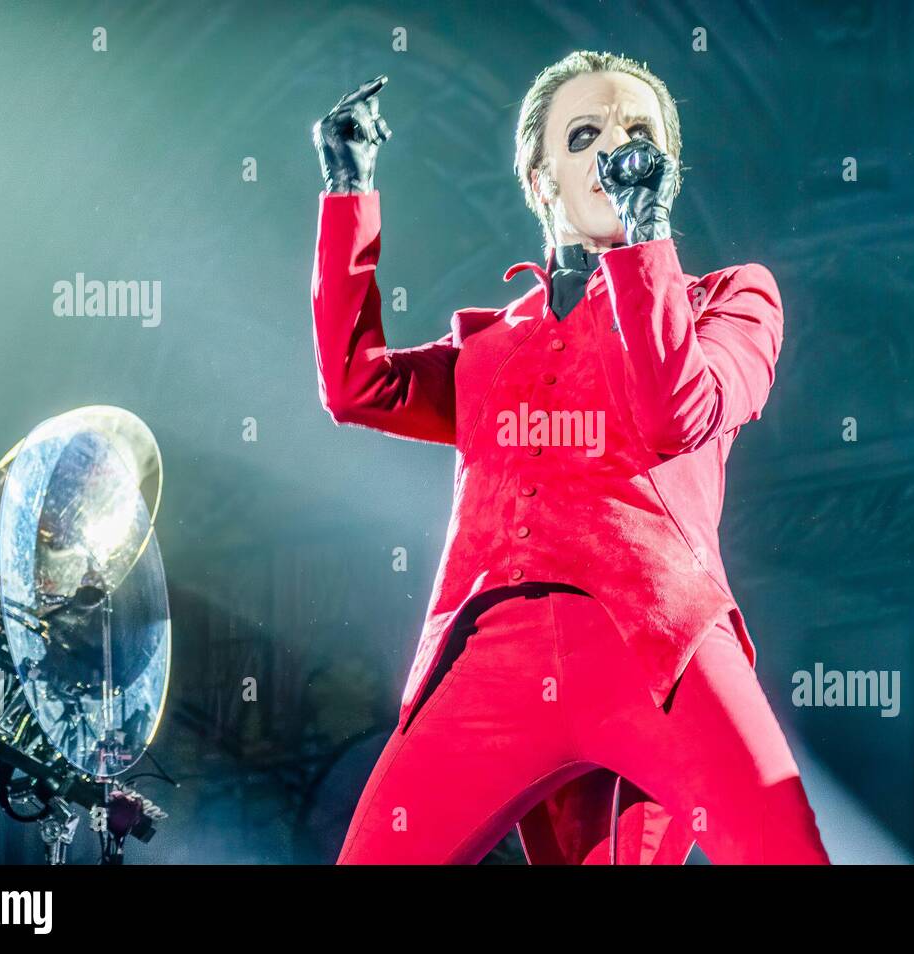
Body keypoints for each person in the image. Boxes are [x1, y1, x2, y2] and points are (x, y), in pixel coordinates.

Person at [312, 50, 829, 865]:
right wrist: (350, 186)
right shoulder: (485, 349)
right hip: (487, 662)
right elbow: (355, 386)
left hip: (661, 646)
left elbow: (677, 412)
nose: (616, 151)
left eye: (639, 134)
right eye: (585, 133)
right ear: (540, 176)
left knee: (784, 853)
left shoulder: (729, 300)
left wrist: (643, 239)